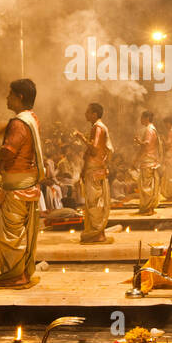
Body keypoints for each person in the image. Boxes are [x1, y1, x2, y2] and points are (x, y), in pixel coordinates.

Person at [0, 78, 45, 288]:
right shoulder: (32, 118)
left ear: (19, 97)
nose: (6, 98)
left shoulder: (19, 122)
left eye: (9, 94)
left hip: (16, 186)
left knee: (9, 237)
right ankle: (21, 273)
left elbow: (8, 153)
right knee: (22, 233)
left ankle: (15, 274)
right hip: (27, 183)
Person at [74, 102, 113, 244]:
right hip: (97, 169)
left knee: (94, 203)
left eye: (88, 112)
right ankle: (97, 232)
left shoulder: (97, 127)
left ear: (94, 114)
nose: (85, 114)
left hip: (94, 170)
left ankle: (97, 233)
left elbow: (94, 149)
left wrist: (81, 137)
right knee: (96, 202)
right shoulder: (100, 127)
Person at [134, 110, 161, 215]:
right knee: (150, 186)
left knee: (147, 187)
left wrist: (139, 142)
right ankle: (149, 208)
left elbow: (146, 145)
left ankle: (149, 208)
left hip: (148, 160)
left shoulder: (149, 129)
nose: (140, 120)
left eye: (142, 117)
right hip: (151, 160)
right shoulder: (152, 128)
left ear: (146, 118)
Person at [160, 116, 172, 200]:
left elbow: (168, 144)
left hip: (171, 156)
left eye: (166, 123)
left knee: (171, 176)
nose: (165, 125)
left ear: (169, 123)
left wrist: (163, 139)